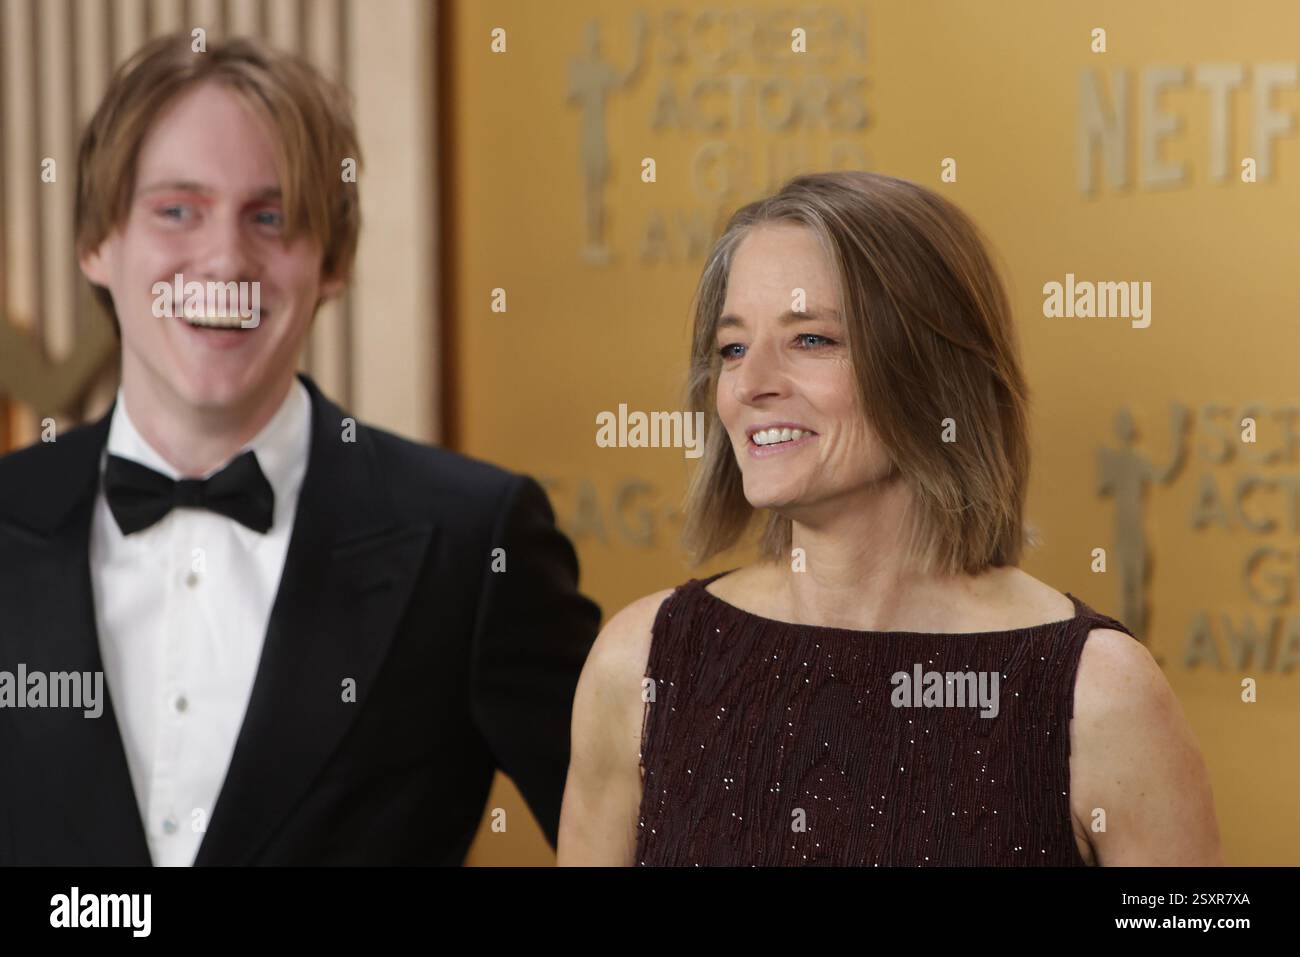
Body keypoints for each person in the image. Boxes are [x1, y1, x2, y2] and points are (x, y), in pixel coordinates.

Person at [0, 33, 599, 865]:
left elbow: (656, 835)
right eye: (177, 209)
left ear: (333, 262)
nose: (224, 259)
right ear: (99, 242)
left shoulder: (475, 541)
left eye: (271, 216)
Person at [557, 171, 1222, 866]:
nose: (751, 385)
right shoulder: (642, 662)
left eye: (811, 339)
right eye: (732, 348)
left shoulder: (1099, 691)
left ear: (932, 370)